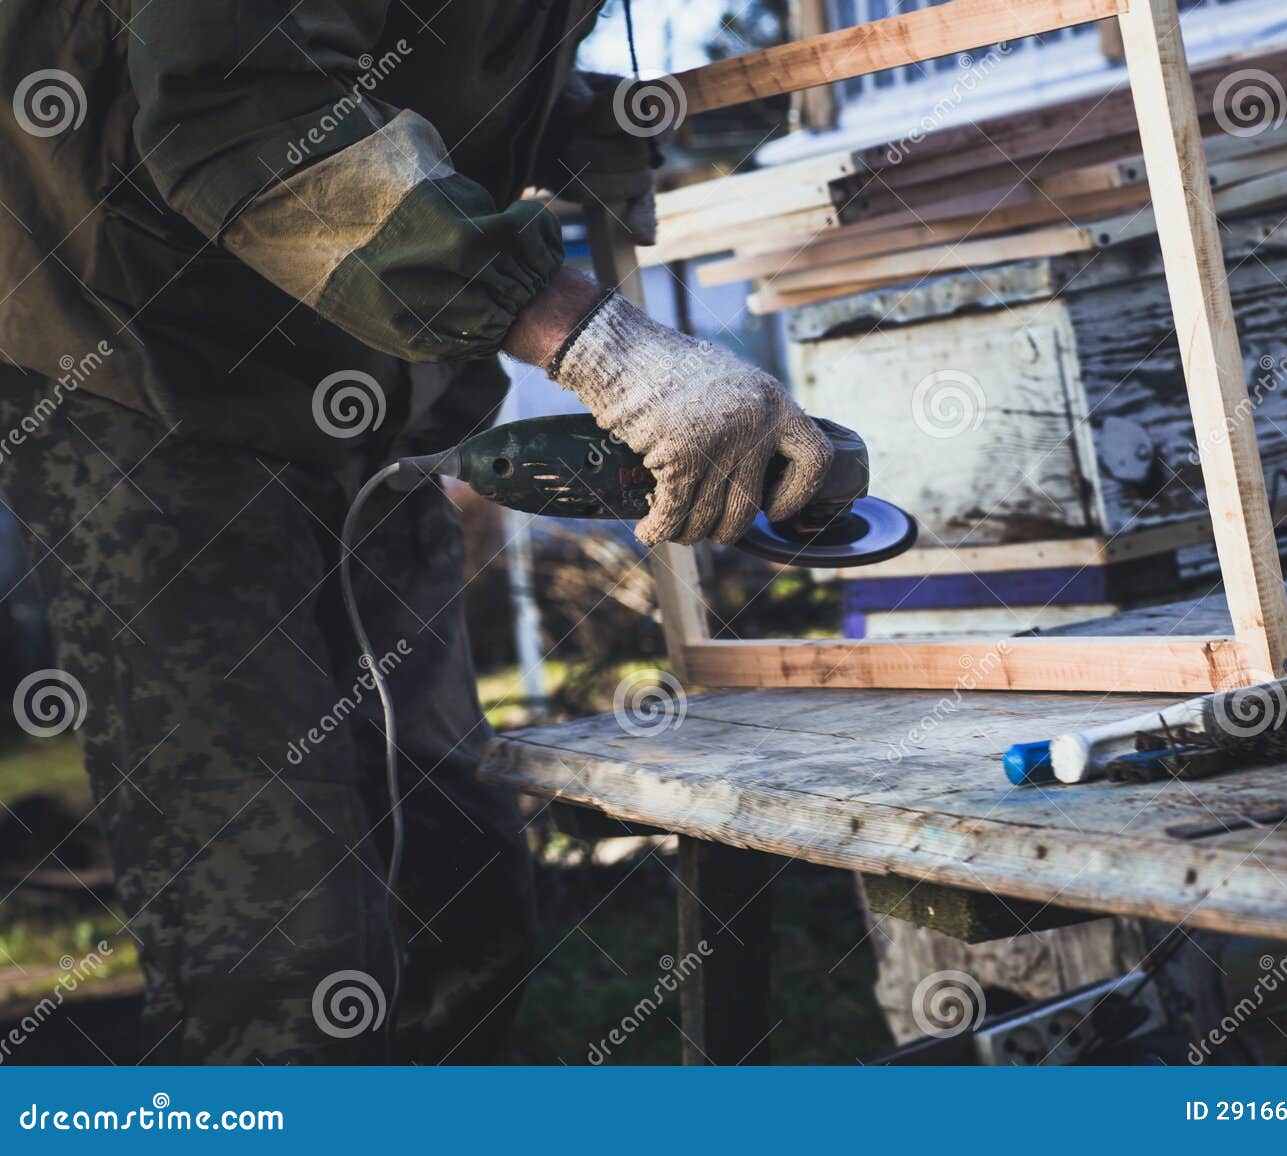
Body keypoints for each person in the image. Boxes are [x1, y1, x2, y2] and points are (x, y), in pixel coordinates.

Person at [0, 0, 830, 1062]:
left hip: (359, 368)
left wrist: (561, 118)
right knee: (281, 926)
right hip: (136, 359)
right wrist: (590, 339)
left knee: (456, 872)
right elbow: (242, 100)